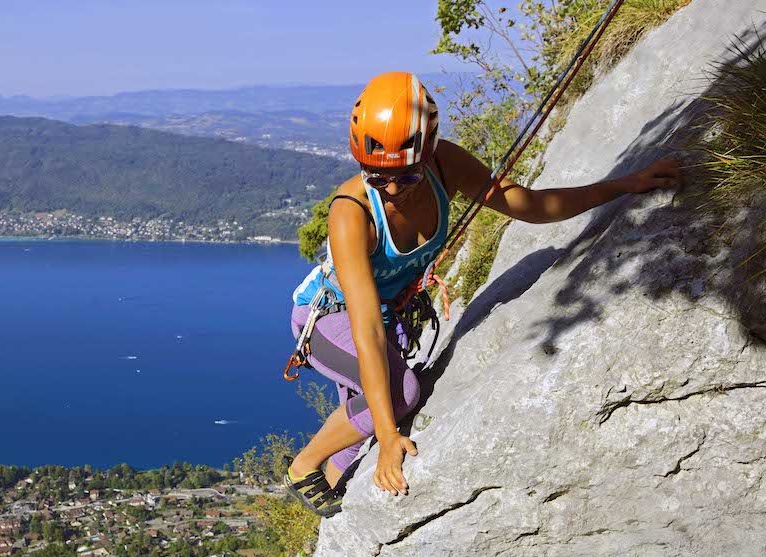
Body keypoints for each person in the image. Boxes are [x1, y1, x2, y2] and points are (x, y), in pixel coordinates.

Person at [282, 71, 682, 517]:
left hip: (385, 314)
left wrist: (624, 185)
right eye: (377, 176)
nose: (392, 190)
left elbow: (530, 205)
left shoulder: (445, 166)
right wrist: (390, 435)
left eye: (407, 176)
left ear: (428, 153)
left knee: (366, 419)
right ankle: (302, 467)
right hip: (330, 318)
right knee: (398, 396)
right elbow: (367, 330)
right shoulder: (351, 212)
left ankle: (336, 502)